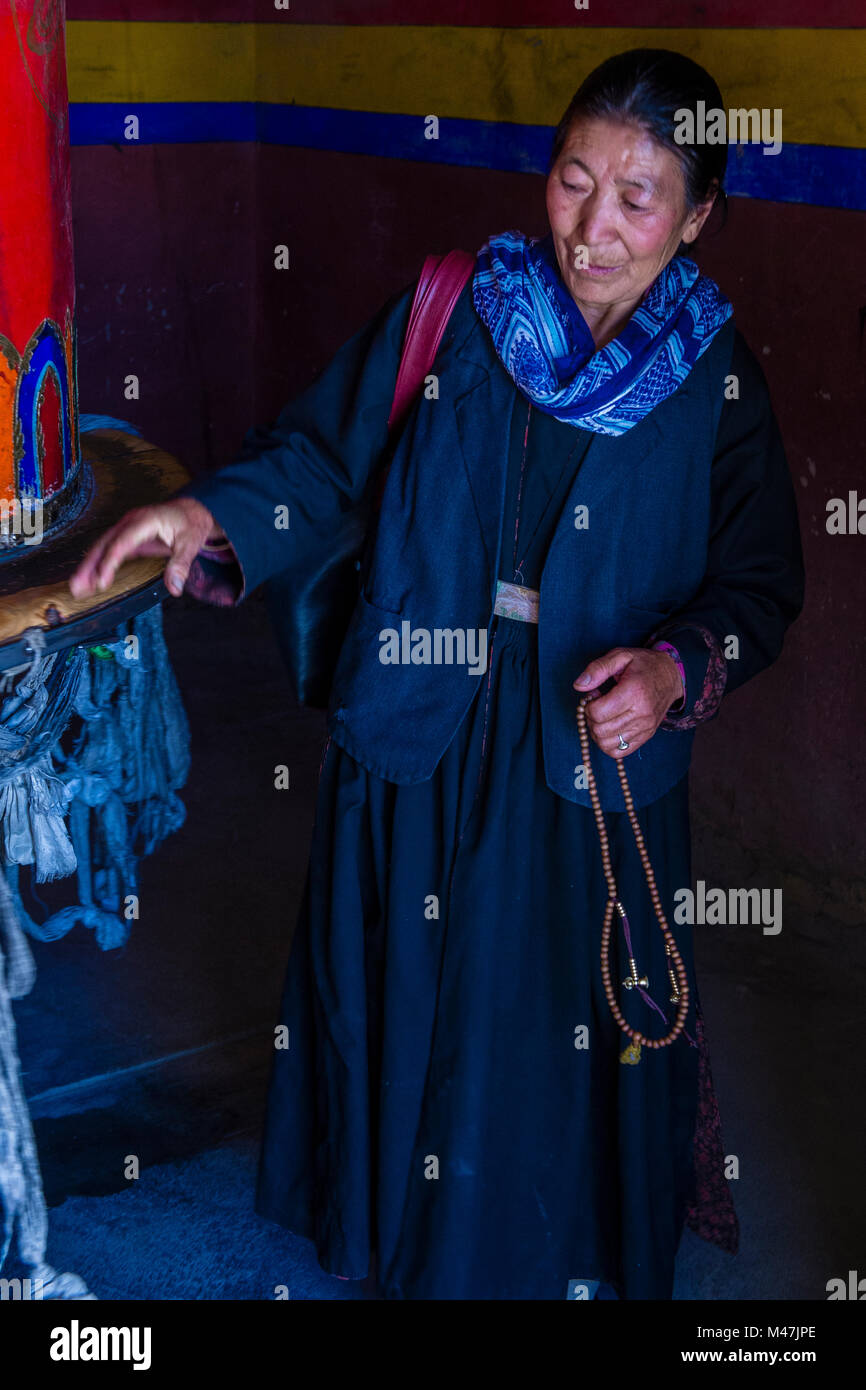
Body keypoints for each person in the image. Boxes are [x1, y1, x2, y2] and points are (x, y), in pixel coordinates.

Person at [69, 49, 805, 1300]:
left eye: (639, 197)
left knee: (539, 1009)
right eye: (574, 181)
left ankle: (537, 1248)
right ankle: (377, 1230)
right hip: (419, 720)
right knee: (400, 978)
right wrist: (208, 519)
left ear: (696, 216)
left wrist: (677, 670)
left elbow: (758, 582)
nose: (592, 227)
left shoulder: (713, 380)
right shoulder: (460, 307)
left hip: (586, 759)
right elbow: (319, 459)